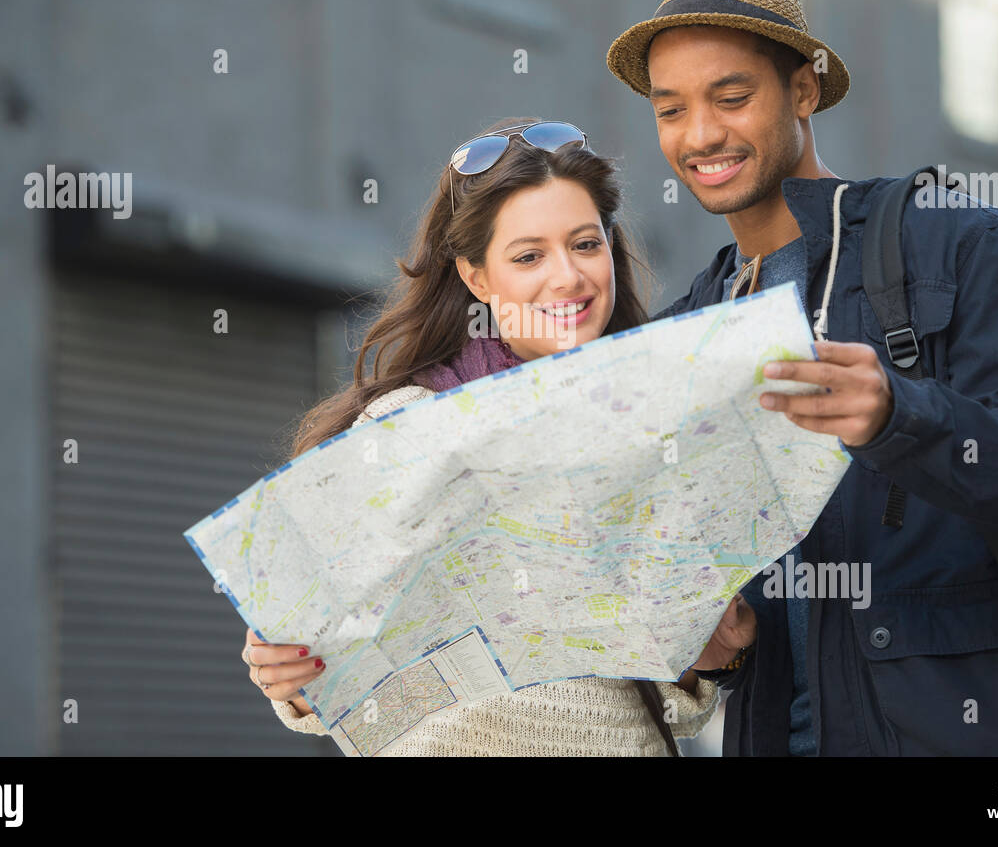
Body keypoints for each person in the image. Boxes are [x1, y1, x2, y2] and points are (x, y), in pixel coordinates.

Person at [605, 0, 998, 755]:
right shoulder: (688, 327)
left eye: (731, 96)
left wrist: (901, 417)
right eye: (671, 109)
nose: (700, 134)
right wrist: (710, 638)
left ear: (804, 88)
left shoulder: (963, 245)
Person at [240, 117, 732, 756]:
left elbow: (674, 697)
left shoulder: (654, 429)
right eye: (528, 256)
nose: (568, 277)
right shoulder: (405, 427)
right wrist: (292, 673)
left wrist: (711, 650)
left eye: (585, 244)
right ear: (476, 278)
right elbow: (326, 669)